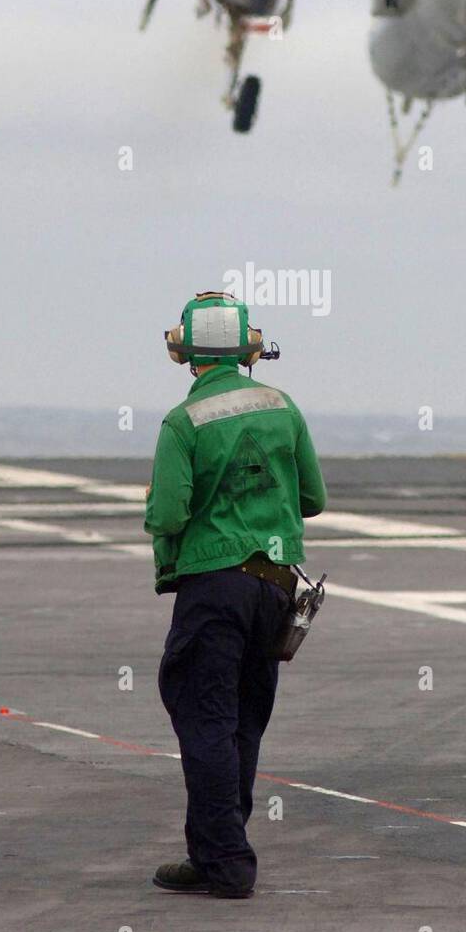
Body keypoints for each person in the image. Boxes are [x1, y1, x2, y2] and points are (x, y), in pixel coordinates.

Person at [146, 291, 326, 898]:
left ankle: (224, 862)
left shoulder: (183, 421)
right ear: (251, 346)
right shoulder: (283, 406)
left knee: (205, 718)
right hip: (276, 588)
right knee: (244, 720)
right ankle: (215, 850)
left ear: (186, 351)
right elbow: (313, 500)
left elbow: (168, 513)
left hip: (214, 589)